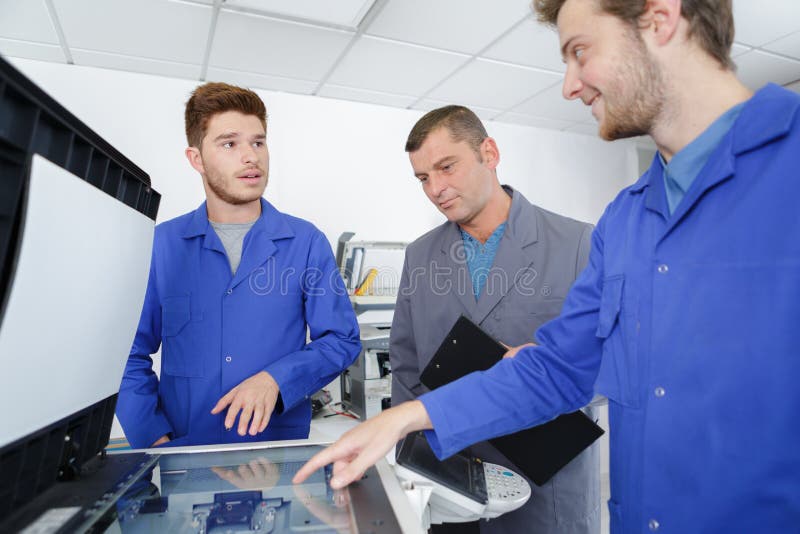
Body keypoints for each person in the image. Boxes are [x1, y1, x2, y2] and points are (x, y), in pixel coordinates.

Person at [295, 0, 800, 531]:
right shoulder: (625, 220)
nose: (569, 86)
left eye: (580, 52)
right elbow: (558, 369)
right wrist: (402, 420)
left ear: (660, 18)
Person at [117, 82, 361, 449]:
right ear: (196, 158)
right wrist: (153, 439)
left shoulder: (306, 242)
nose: (251, 157)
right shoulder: (161, 245)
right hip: (184, 453)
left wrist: (276, 379)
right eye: (230, 143)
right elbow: (126, 352)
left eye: (258, 142)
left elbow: (341, 340)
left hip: (275, 455)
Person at [391, 105, 599, 533]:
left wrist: (541, 368)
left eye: (447, 167)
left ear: (489, 152)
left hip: (544, 487)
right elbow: (406, 366)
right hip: (450, 484)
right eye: (423, 178)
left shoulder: (578, 243)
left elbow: (612, 366)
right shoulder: (420, 256)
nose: (436, 188)